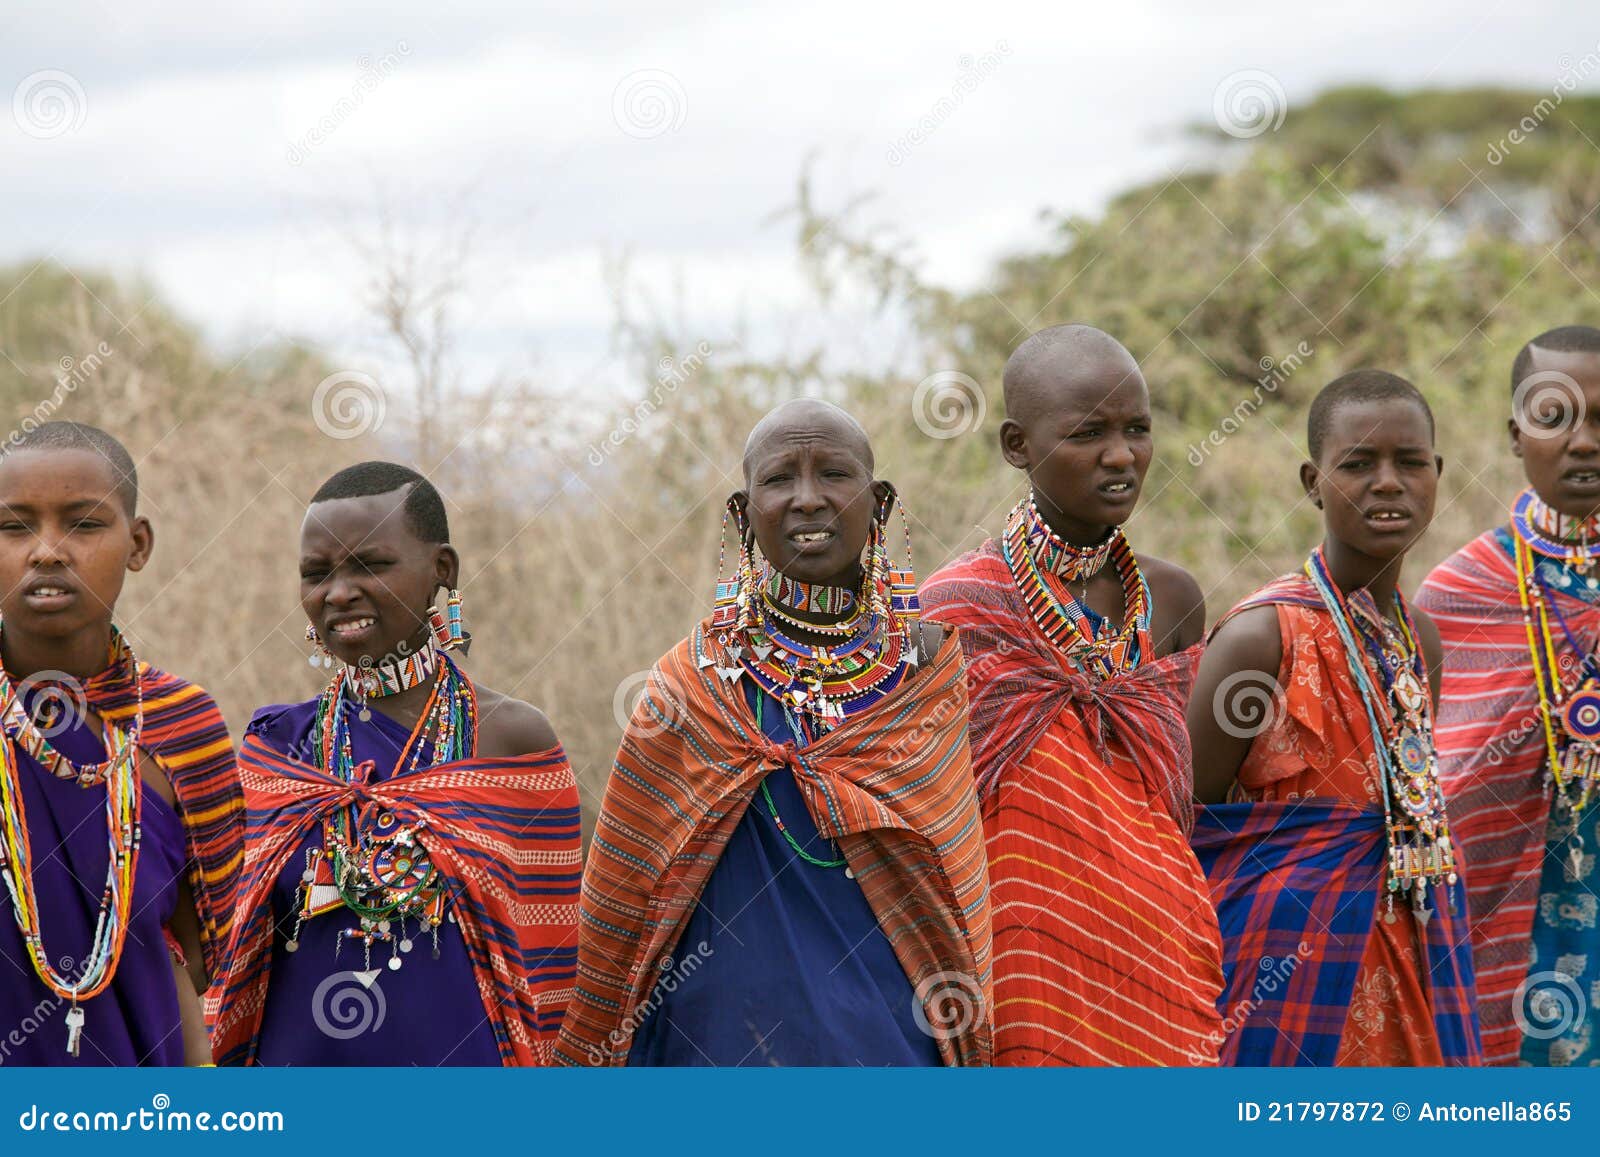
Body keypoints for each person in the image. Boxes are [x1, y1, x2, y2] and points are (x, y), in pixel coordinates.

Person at [556, 400, 992, 1067]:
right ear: (743, 513)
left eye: (834, 474)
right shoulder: (696, 682)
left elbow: (951, 882)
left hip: (893, 1038)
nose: (808, 498)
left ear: (878, 504)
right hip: (718, 1039)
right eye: (780, 478)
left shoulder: (926, 670)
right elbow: (626, 890)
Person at [921, 324, 1223, 1066]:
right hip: (1025, 960)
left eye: (1137, 429)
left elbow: (1180, 800)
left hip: (1164, 949)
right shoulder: (956, 610)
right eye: (1088, 433)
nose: (1121, 456)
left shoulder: (1172, 600)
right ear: (1017, 445)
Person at [211, 462, 581, 1066]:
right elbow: (230, 950)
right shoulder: (278, 750)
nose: (338, 592)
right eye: (316, 574)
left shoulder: (512, 741)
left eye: (370, 565)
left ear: (442, 570)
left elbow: (551, 956)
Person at [1189, 371, 1479, 1066]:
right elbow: (1185, 827)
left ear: (1437, 474)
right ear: (1313, 482)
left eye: (1410, 462)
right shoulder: (1262, 638)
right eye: (1358, 464)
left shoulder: (1421, 638)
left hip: (1419, 941)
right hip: (1283, 967)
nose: (1388, 483)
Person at [0, 421, 241, 1066]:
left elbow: (197, 953)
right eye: (14, 527)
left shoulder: (180, 724)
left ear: (137, 545)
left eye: (83, 524)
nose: (47, 552)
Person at [1417, 325, 1600, 1066]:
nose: (1584, 442)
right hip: (1514, 929)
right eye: (1555, 418)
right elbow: (1437, 794)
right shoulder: (1460, 594)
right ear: (1516, 434)